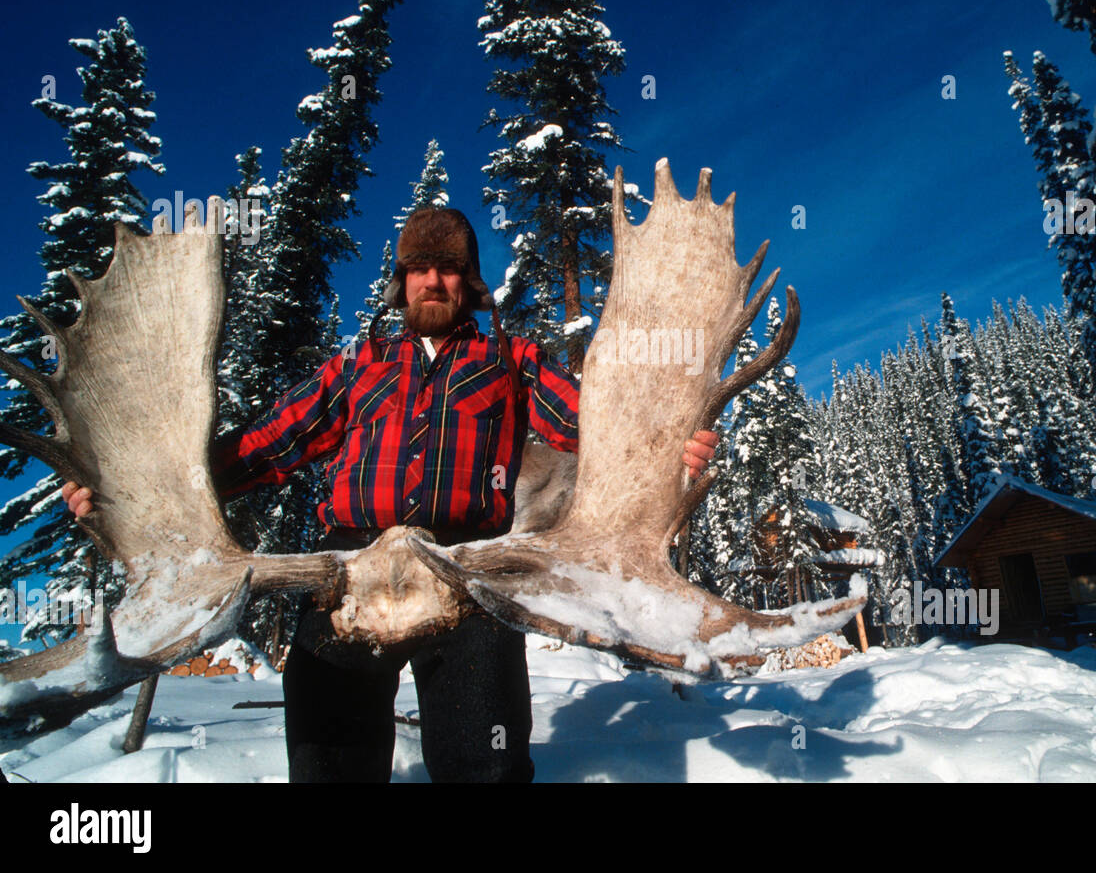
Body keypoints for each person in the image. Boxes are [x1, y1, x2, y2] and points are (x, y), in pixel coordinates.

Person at [62, 206, 718, 783]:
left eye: (450, 267)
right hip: (347, 576)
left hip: (470, 575)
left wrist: (668, 450)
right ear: (402, 279)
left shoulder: (510, 361)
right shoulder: (358, 368)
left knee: (482, 762)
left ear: (471, 281)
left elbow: (597, 429)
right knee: (329, 761)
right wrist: (126, 489)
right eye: (420, 267)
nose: (433, 280)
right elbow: (267, 446)